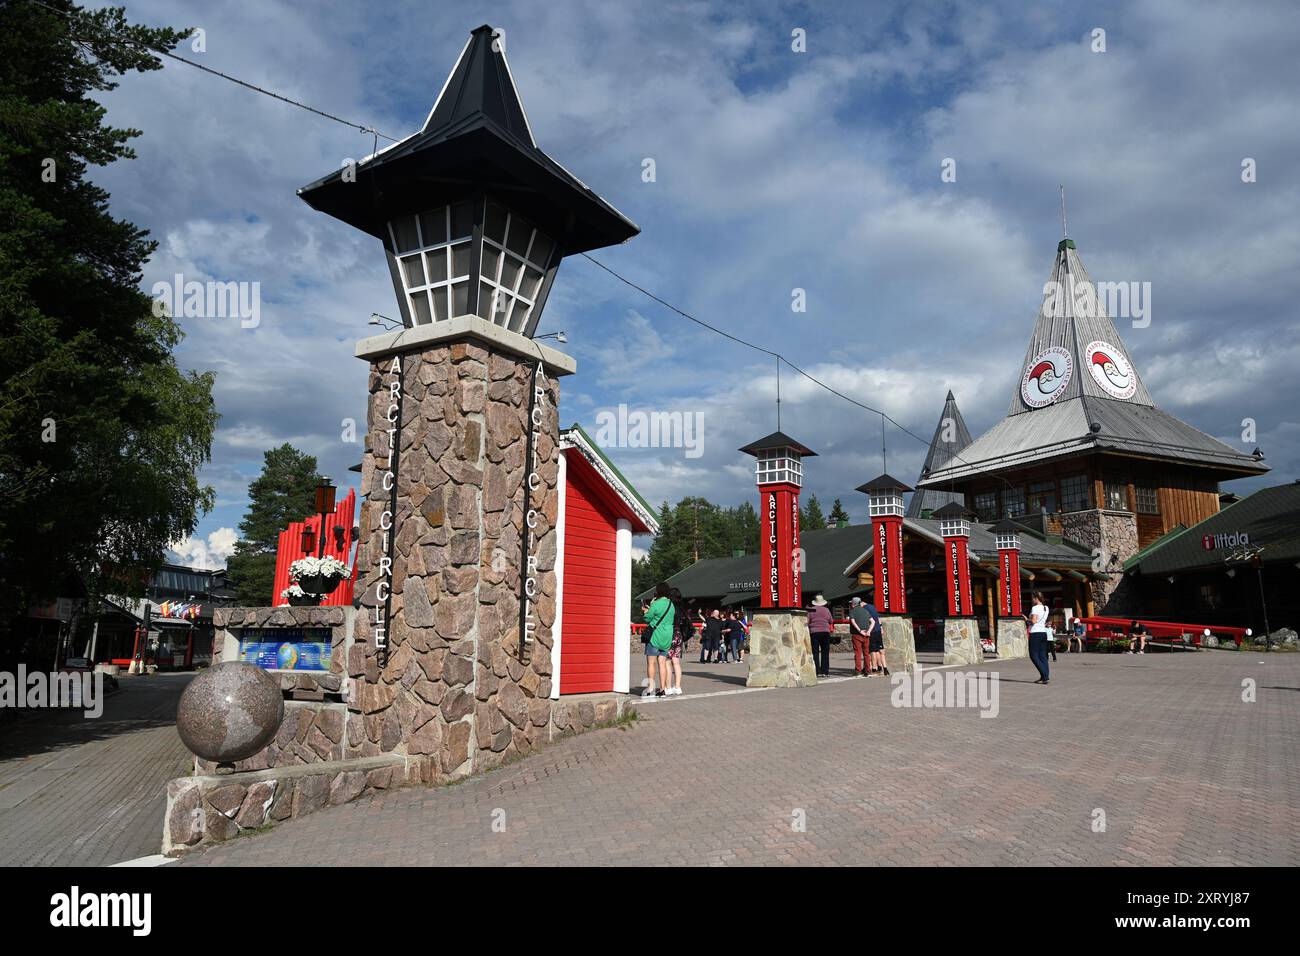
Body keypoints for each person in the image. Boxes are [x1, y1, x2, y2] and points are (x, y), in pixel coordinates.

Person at [642, 583, 675, 697]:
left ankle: (650, 688)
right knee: (662, 663)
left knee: (651, 663)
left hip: (655, 636)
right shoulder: (671, 604)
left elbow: (647, 618)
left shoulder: (656, 603)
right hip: (667, 636)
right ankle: (662, 689)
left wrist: (646, 610)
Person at [848, 596, 879, 677]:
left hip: (857, 634)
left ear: (853, 604)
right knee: (866, 653)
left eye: (851, 603)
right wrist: (869, 631)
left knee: (858, 653)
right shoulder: (866, 611)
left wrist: (859, 630)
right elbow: (873, 622)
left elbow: (853, 622)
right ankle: (867, 670)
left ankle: (858, 671)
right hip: (866, 634)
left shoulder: (852, 611)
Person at [808, 594, 834, 677]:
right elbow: (831, 621)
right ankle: (825, 671)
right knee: (825, 652)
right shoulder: (826, 610)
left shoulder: (811, 610)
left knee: (815, 653)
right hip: (825, 632)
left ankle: (817, 671)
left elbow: (807, 621)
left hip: (814, 632)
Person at [1028, 591, 1051, 684]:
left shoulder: (1035, 608)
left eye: (1033, 598)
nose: (1032, 600)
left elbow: (1033, 621)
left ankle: (1045, 676)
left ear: (1036, 598)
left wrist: (1027, 620)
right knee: (1042, 656)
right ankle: (1044, 677)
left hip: (1035, 633)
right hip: (1043, 633)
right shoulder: (1046, 608)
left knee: (1033, 655)